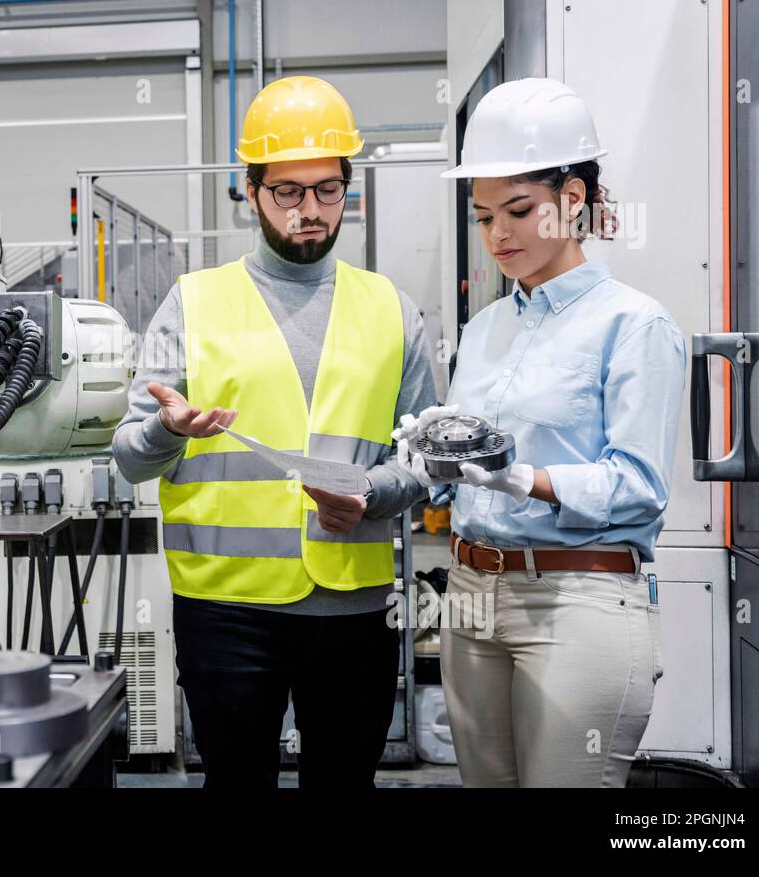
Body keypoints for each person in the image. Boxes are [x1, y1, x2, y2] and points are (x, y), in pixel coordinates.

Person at [112, 75, 437, 788]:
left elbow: (424, 459)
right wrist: (167, 430)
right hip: (224, 609)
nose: (309, 210)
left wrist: (374, 492)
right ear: (251, 190)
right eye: (288, 191)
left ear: (347, 187)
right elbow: (129, 460)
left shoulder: (393, 310)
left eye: (327, 189)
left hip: (354, 604)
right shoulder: (192, 303)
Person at [394, 77, 685, 787]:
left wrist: (527, 479)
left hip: (576, 598)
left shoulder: (634, 324)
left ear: (573, 198)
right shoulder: (485, 329)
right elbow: (473, 469)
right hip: (471, 592)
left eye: (519, 211)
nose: (498, 235)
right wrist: (434, 458)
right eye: (483, 216)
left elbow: (640, 486)